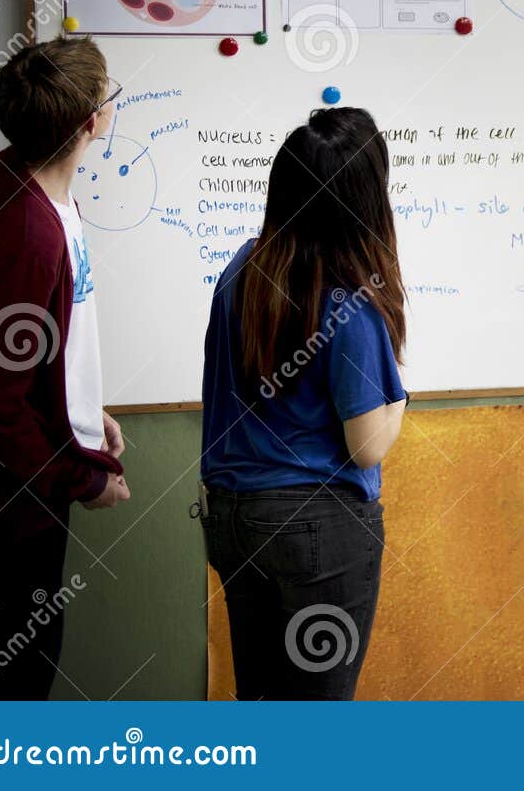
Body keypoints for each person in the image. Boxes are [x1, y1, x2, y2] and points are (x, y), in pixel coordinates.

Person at [199, 106, 407, 700]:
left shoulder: (241, 269)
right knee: (317, 709)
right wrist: (399, 399)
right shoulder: (350, 298)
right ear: (368, 199)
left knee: (262, 704)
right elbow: (366, 445)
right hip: (317, 530)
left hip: (235, 519)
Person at [0, 36, 128, 700]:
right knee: (16, 680)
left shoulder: (17, 178)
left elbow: (35, 352)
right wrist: (80, 478)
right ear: (92, 122)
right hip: (11, 511)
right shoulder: (28, 235)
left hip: (30, 485)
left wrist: (87, 414)